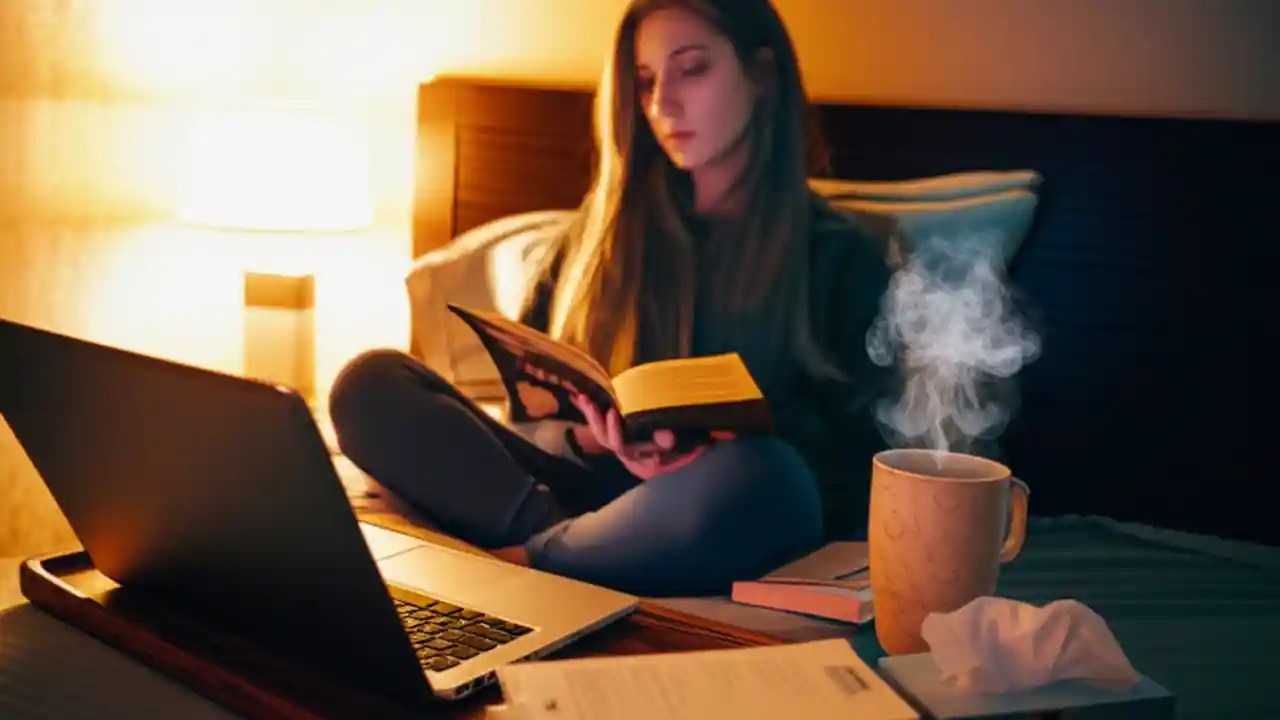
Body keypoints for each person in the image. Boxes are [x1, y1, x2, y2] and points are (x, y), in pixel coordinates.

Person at [329, 0, 892, 597]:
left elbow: (853, 477)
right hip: (574, 491)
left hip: (711, 504)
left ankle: (535, 561)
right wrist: (589, 438)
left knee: (774, 478)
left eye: (692, 69)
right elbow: (529, 423)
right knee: (370, 383)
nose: (662, 104)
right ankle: (554, 548)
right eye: (645, 81)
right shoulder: (594, 242)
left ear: (761, 75)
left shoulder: (838, 259)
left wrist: (705, 451)